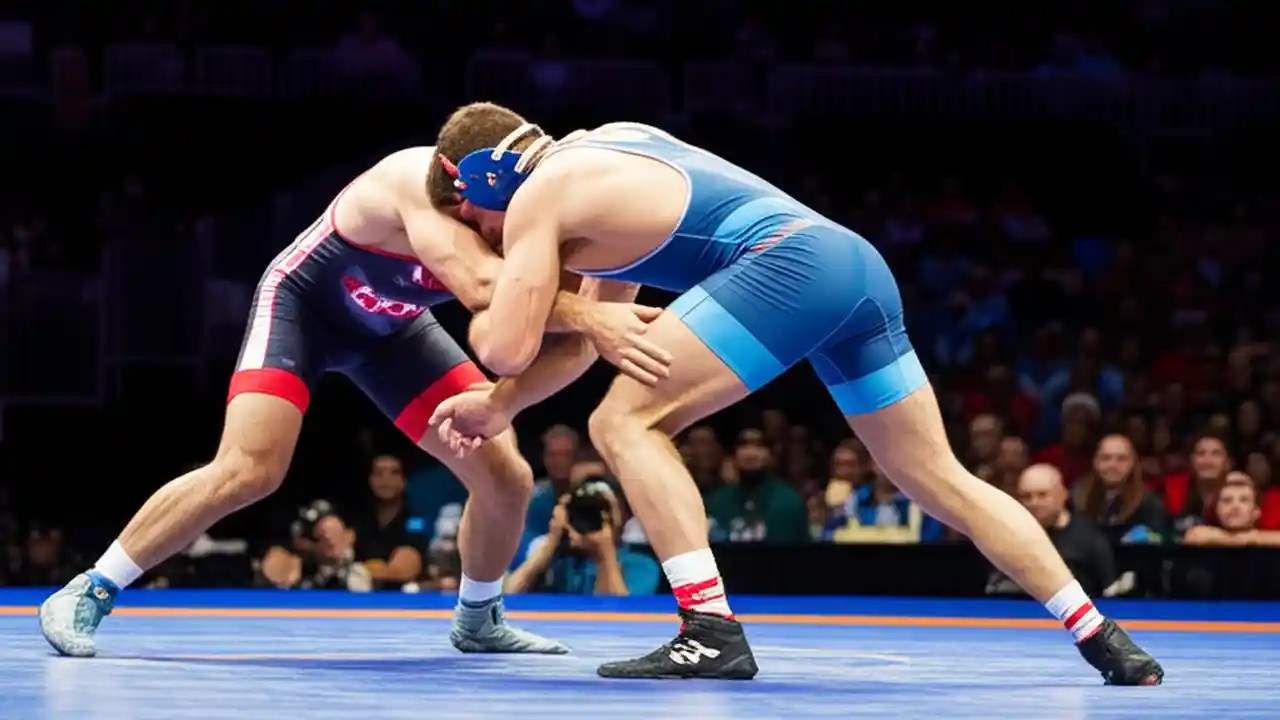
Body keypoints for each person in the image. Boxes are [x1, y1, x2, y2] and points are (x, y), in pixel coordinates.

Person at [424, 103, 1163, 685]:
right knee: (938, 477)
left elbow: (504, 341)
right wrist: (503, 404)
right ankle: (1101, 634)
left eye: (474, 222)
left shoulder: (534, 200)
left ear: (480, 178)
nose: (487, 241)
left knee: (624, 423)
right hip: (855, 270)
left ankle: (709, 630)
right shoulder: (609, 149)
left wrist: (532, 324)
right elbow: (589, 341)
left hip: (792, 265)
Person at [37, 144, 672, 658]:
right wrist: (592, 317)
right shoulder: (410, 181)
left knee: (506, 474)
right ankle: (89, 589)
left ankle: (479, 618)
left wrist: (605, 278)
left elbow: (551, 308)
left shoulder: (516, 210)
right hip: (304, 309)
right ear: (462, 183)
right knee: (250, 470)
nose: (503, 226)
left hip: (395, 331)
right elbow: (486, 288)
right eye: (497, 207)